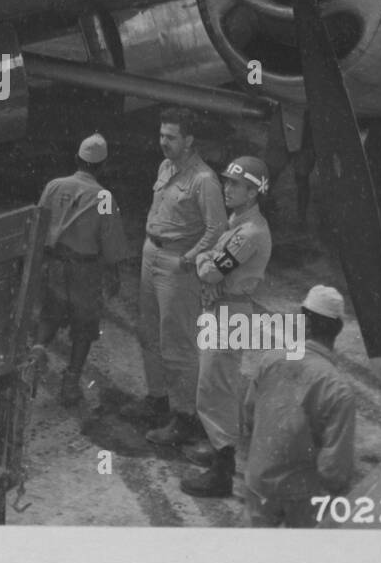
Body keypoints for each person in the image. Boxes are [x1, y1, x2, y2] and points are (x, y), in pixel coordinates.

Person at [119, 109, 227, 444]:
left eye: (171, 137)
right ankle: (157, 398)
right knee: (148, 330)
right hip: (152, 253)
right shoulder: (165, 167)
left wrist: (191, 258)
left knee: (178, 343)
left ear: (189, 140)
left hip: (178, 263)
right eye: (162, 135)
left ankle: (185, 418)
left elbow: (217, 228)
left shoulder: (204, 180)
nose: (163, 142)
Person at [180, 156, 274, 498]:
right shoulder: (237, 222)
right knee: (215, 384)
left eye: (235, 184)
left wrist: (204, 261)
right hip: (221, 309)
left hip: (229, 314)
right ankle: (218, 446)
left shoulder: (247, 233)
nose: (227, 187)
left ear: (253, 192)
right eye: (228, 181)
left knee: (214, 387)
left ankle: (221, 471)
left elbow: (208, 272)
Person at [240, 286, 357, 526]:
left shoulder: (272, 359)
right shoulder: (338, 389)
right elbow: (334, 468)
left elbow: (249, 415)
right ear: (338, 329)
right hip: (302, 495)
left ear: (304, 322)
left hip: (259, 481)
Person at [32, 134, 128, 407]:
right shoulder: (104, 197)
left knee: (50, 313)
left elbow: (39, 222)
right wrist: (113, 273)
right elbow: (111, 242)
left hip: (56, 263)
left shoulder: (55, 186)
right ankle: (71, 380)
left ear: (77, 159)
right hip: (85, 270)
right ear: (103, 166)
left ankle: (37, 350)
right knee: (84, 328)